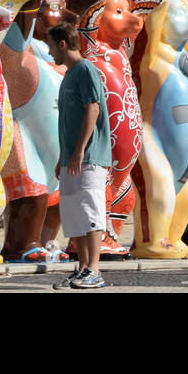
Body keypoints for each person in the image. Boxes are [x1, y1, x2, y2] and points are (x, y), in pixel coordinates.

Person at [49, 22, 113, 290]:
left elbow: (93, 109)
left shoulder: (86, 70)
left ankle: (95, 269)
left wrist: (78, 151)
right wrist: (63, 156)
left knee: (91, 209)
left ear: (63, 44)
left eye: (51, 46)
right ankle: (84, 268)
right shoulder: (69, 75)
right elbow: (69, 120)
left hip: (90, 157)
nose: (50, 52)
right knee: (75, 214)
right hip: (72, 159)